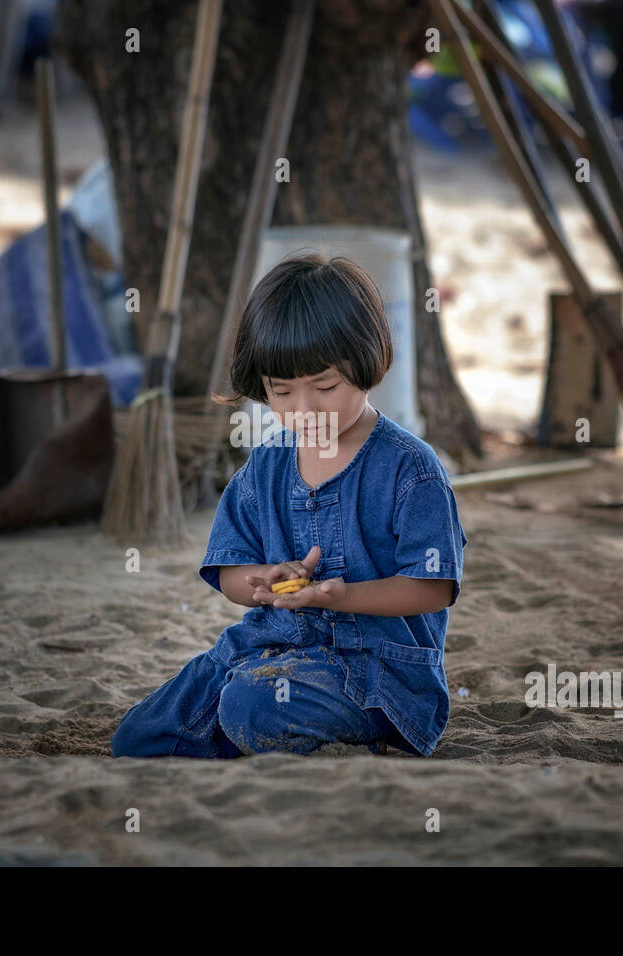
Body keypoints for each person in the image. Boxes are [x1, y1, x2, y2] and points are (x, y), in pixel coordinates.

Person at [110, 252, 468, 758]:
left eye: (325, 386)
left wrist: (337, 597)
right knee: (139, 736)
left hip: (375, 675)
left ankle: (341, 740)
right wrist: (264, 582)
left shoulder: (410, 468)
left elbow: (431, 587)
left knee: (250, 707)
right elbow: (231, 572)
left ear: (367, 364)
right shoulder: (266, 467)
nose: (303, 409)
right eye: (281, 391)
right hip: (267, 649)